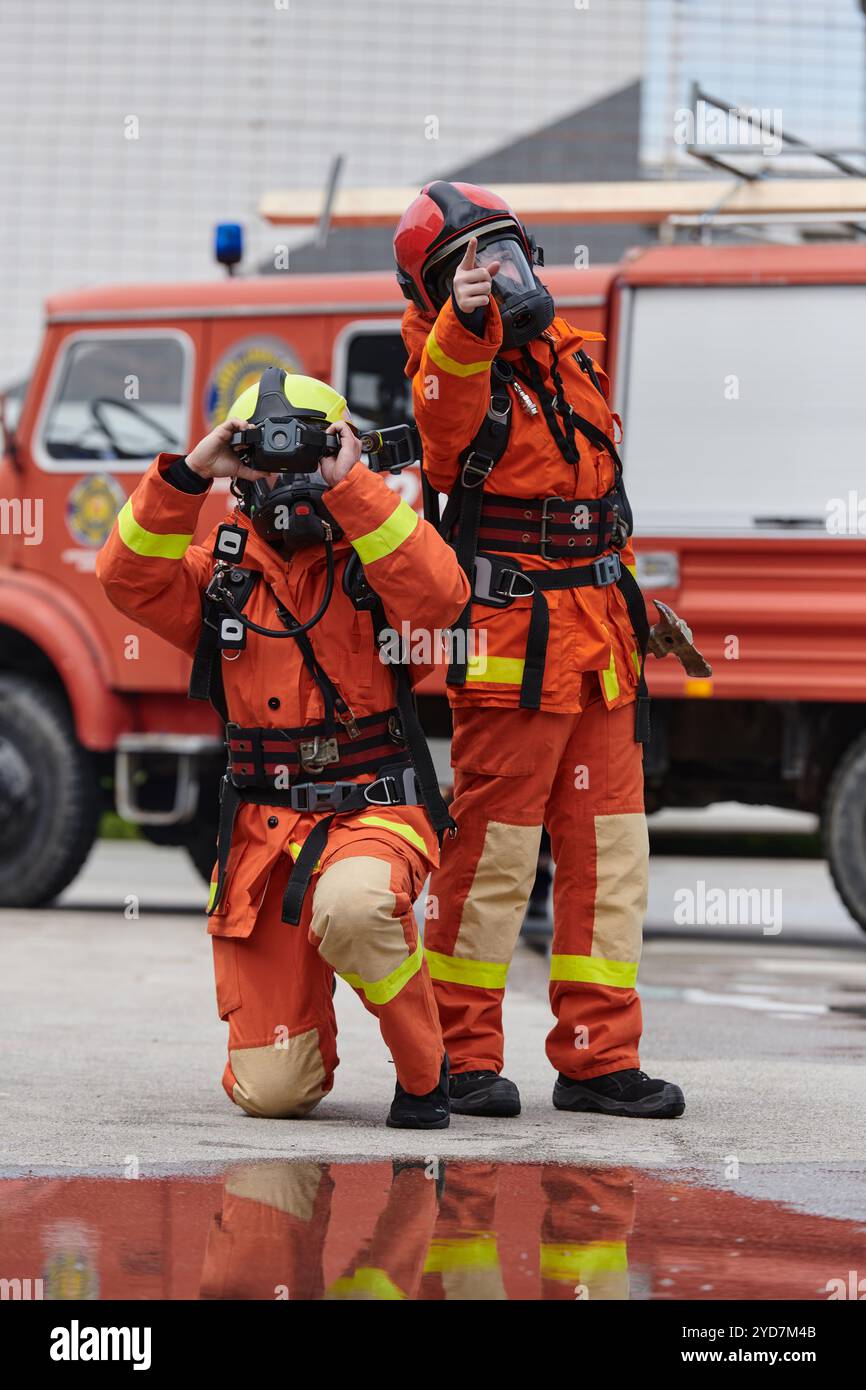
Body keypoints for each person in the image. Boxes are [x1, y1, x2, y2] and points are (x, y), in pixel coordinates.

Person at [97, 369, 469, 1129]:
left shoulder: (376, 559)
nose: (288, 479)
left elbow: (444, 600)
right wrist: (191, 474)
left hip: (374, 812)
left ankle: (426, 1077)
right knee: (276, 1094)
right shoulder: (220, 577)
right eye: (270, 460)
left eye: (306, 454)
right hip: (263, 844)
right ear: (242, 473)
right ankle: (304, 1037)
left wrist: (352, 484)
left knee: (355, 905)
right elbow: (125, 576)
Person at [394, 180, 685, 1120]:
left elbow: (603, 504)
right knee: (492, 859)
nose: (495, 275)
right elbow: (442, 432)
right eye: (466, 267)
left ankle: (599, 1057)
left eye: (504, 252)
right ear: (434, 292)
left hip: (603, 643)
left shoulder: (570, 358)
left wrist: (640, 606)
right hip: (515, 649)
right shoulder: (443, 363)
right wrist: (464, 328)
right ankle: (464, 1059)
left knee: (611, 858)